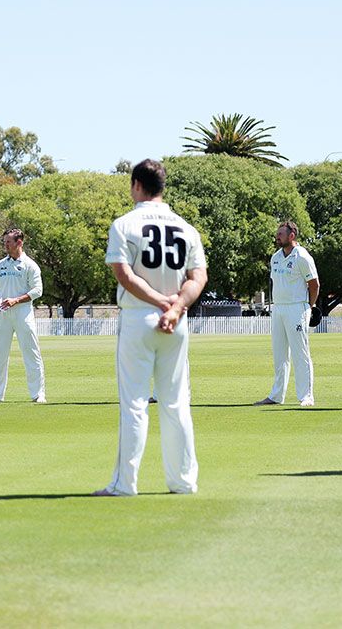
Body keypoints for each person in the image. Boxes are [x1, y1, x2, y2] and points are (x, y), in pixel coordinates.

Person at [94, 159, 207, 497]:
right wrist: (176, 307)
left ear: (136, 185)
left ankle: (125, 484)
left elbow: (123, 274)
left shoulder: (125, 224)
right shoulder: (186, 228)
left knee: (134, 403)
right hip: (177, 321)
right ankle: (183, 481)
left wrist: (161, 303)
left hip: (140, 317)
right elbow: (198, 277)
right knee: (176, 403)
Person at [0, 227, 46, 404]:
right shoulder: (0, 265)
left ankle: (38, 394)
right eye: (4, 242)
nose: (5, 246)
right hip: (2, 315)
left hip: (23, 314)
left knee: (31, 353)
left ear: (19, 242)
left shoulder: (30, 265)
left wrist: (16, 300)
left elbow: (38, 290)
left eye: (8, 242)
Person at [255, 221, 319, 407]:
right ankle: (276, 395)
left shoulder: (302, 257)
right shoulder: (275, 258)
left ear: (292, 236)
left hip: (297, 308)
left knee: (300, 353)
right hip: (279, 308)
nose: (277, 237)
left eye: (281, 234)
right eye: (278, 234)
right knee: (279, 354)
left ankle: (306, 396)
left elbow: (314, 285)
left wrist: (309, 307)